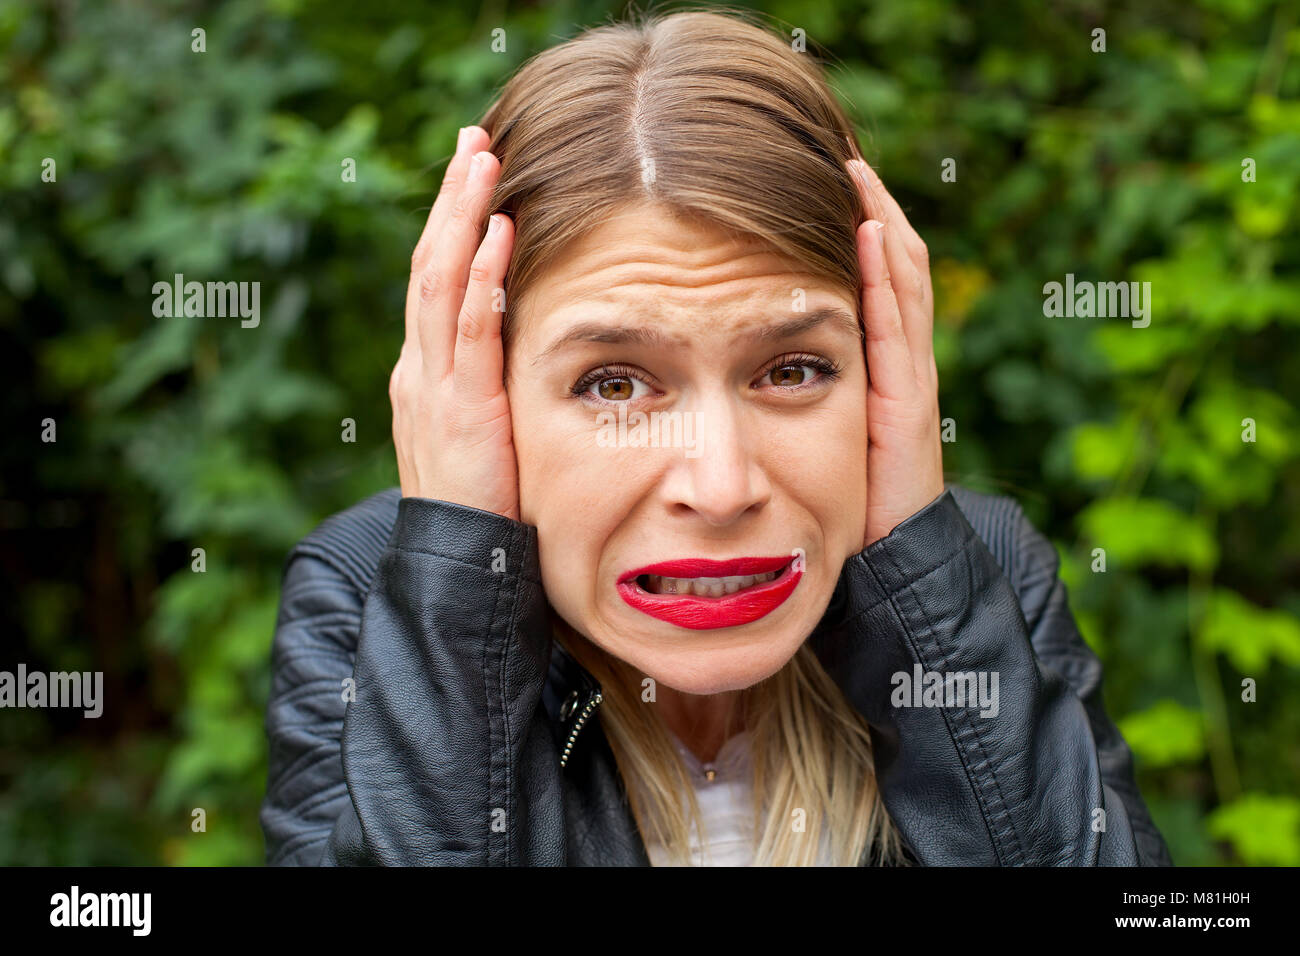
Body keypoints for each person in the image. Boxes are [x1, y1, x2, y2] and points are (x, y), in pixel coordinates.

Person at [260, 9, 1172, 866]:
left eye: (791, 370)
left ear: (886, 370)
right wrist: (458, 596)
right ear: (476, 393)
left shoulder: (989, 573)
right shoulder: (371, 599)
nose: (723, 484)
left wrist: (927, 595)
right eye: (613, 383)